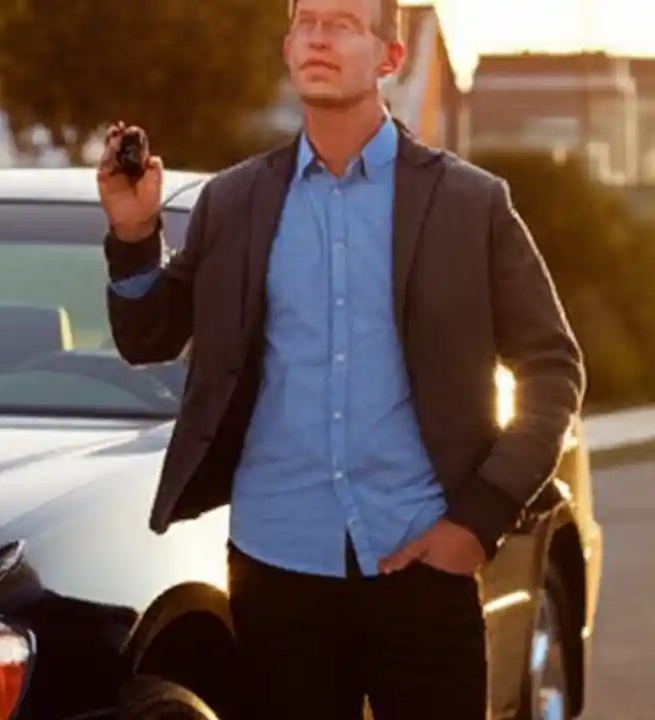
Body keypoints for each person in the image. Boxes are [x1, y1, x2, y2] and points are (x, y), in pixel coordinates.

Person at [96, 0, 585, 718]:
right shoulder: (233, 203)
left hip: (425, 564)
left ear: (390, 58)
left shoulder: (470, 204)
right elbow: (149, 338)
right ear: (289, 47)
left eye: (345, 24)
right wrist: (134, 234)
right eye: (307, 23)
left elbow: (553, 368)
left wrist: (475, 523)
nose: (319, 38)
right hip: (276, 573)